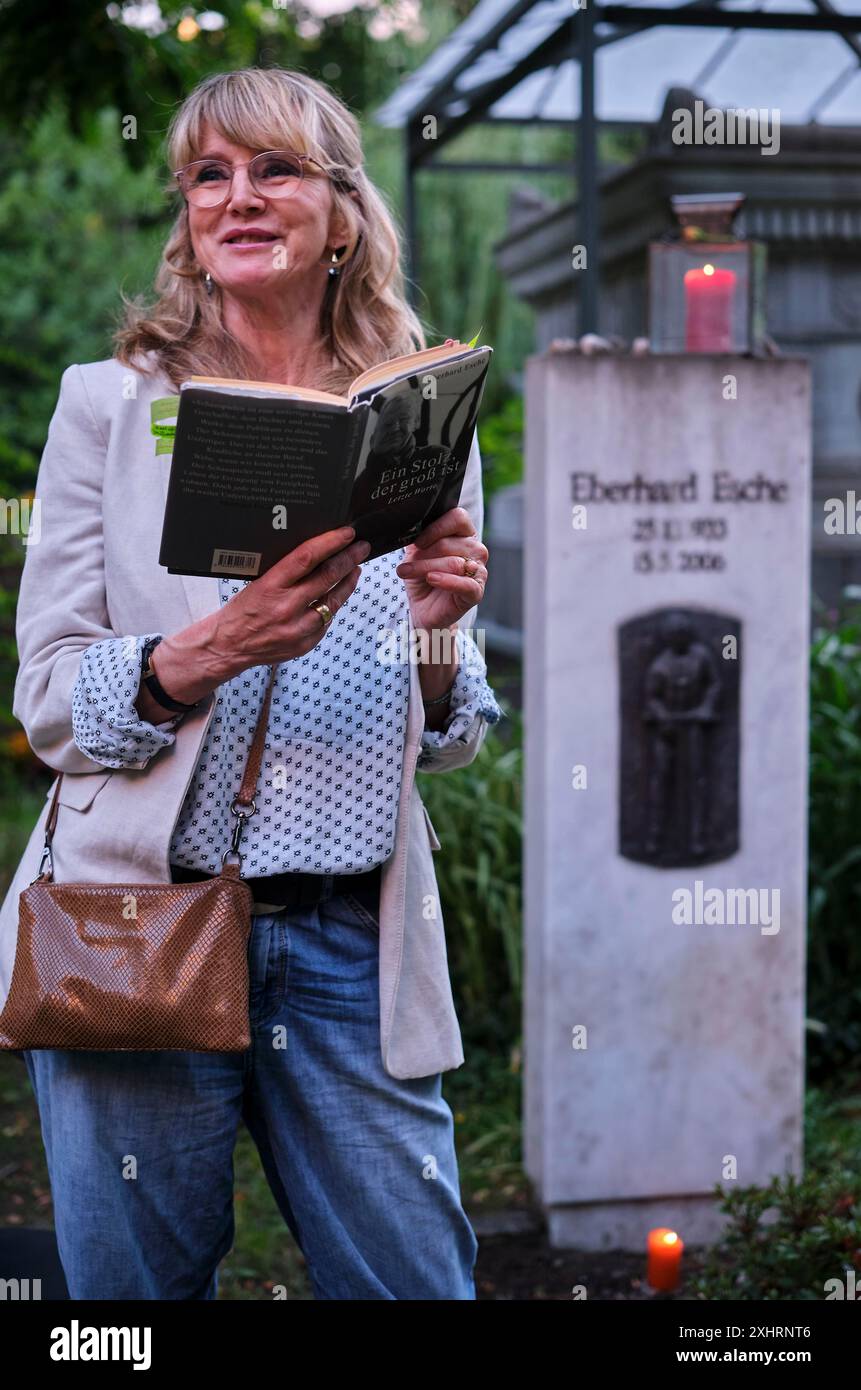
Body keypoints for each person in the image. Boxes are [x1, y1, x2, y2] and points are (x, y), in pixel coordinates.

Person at [0, 66, 503, 1301]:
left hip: (347, 937)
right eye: (208, 176)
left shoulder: (424, 413)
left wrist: (441, 632)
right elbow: (52, 702)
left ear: (342, 211)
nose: (237, 198)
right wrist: (210, 649)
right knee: (129, 1310)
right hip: (138, 921)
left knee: (415, 1286)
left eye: (274, 170)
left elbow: (449, 735)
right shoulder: (111, 411)